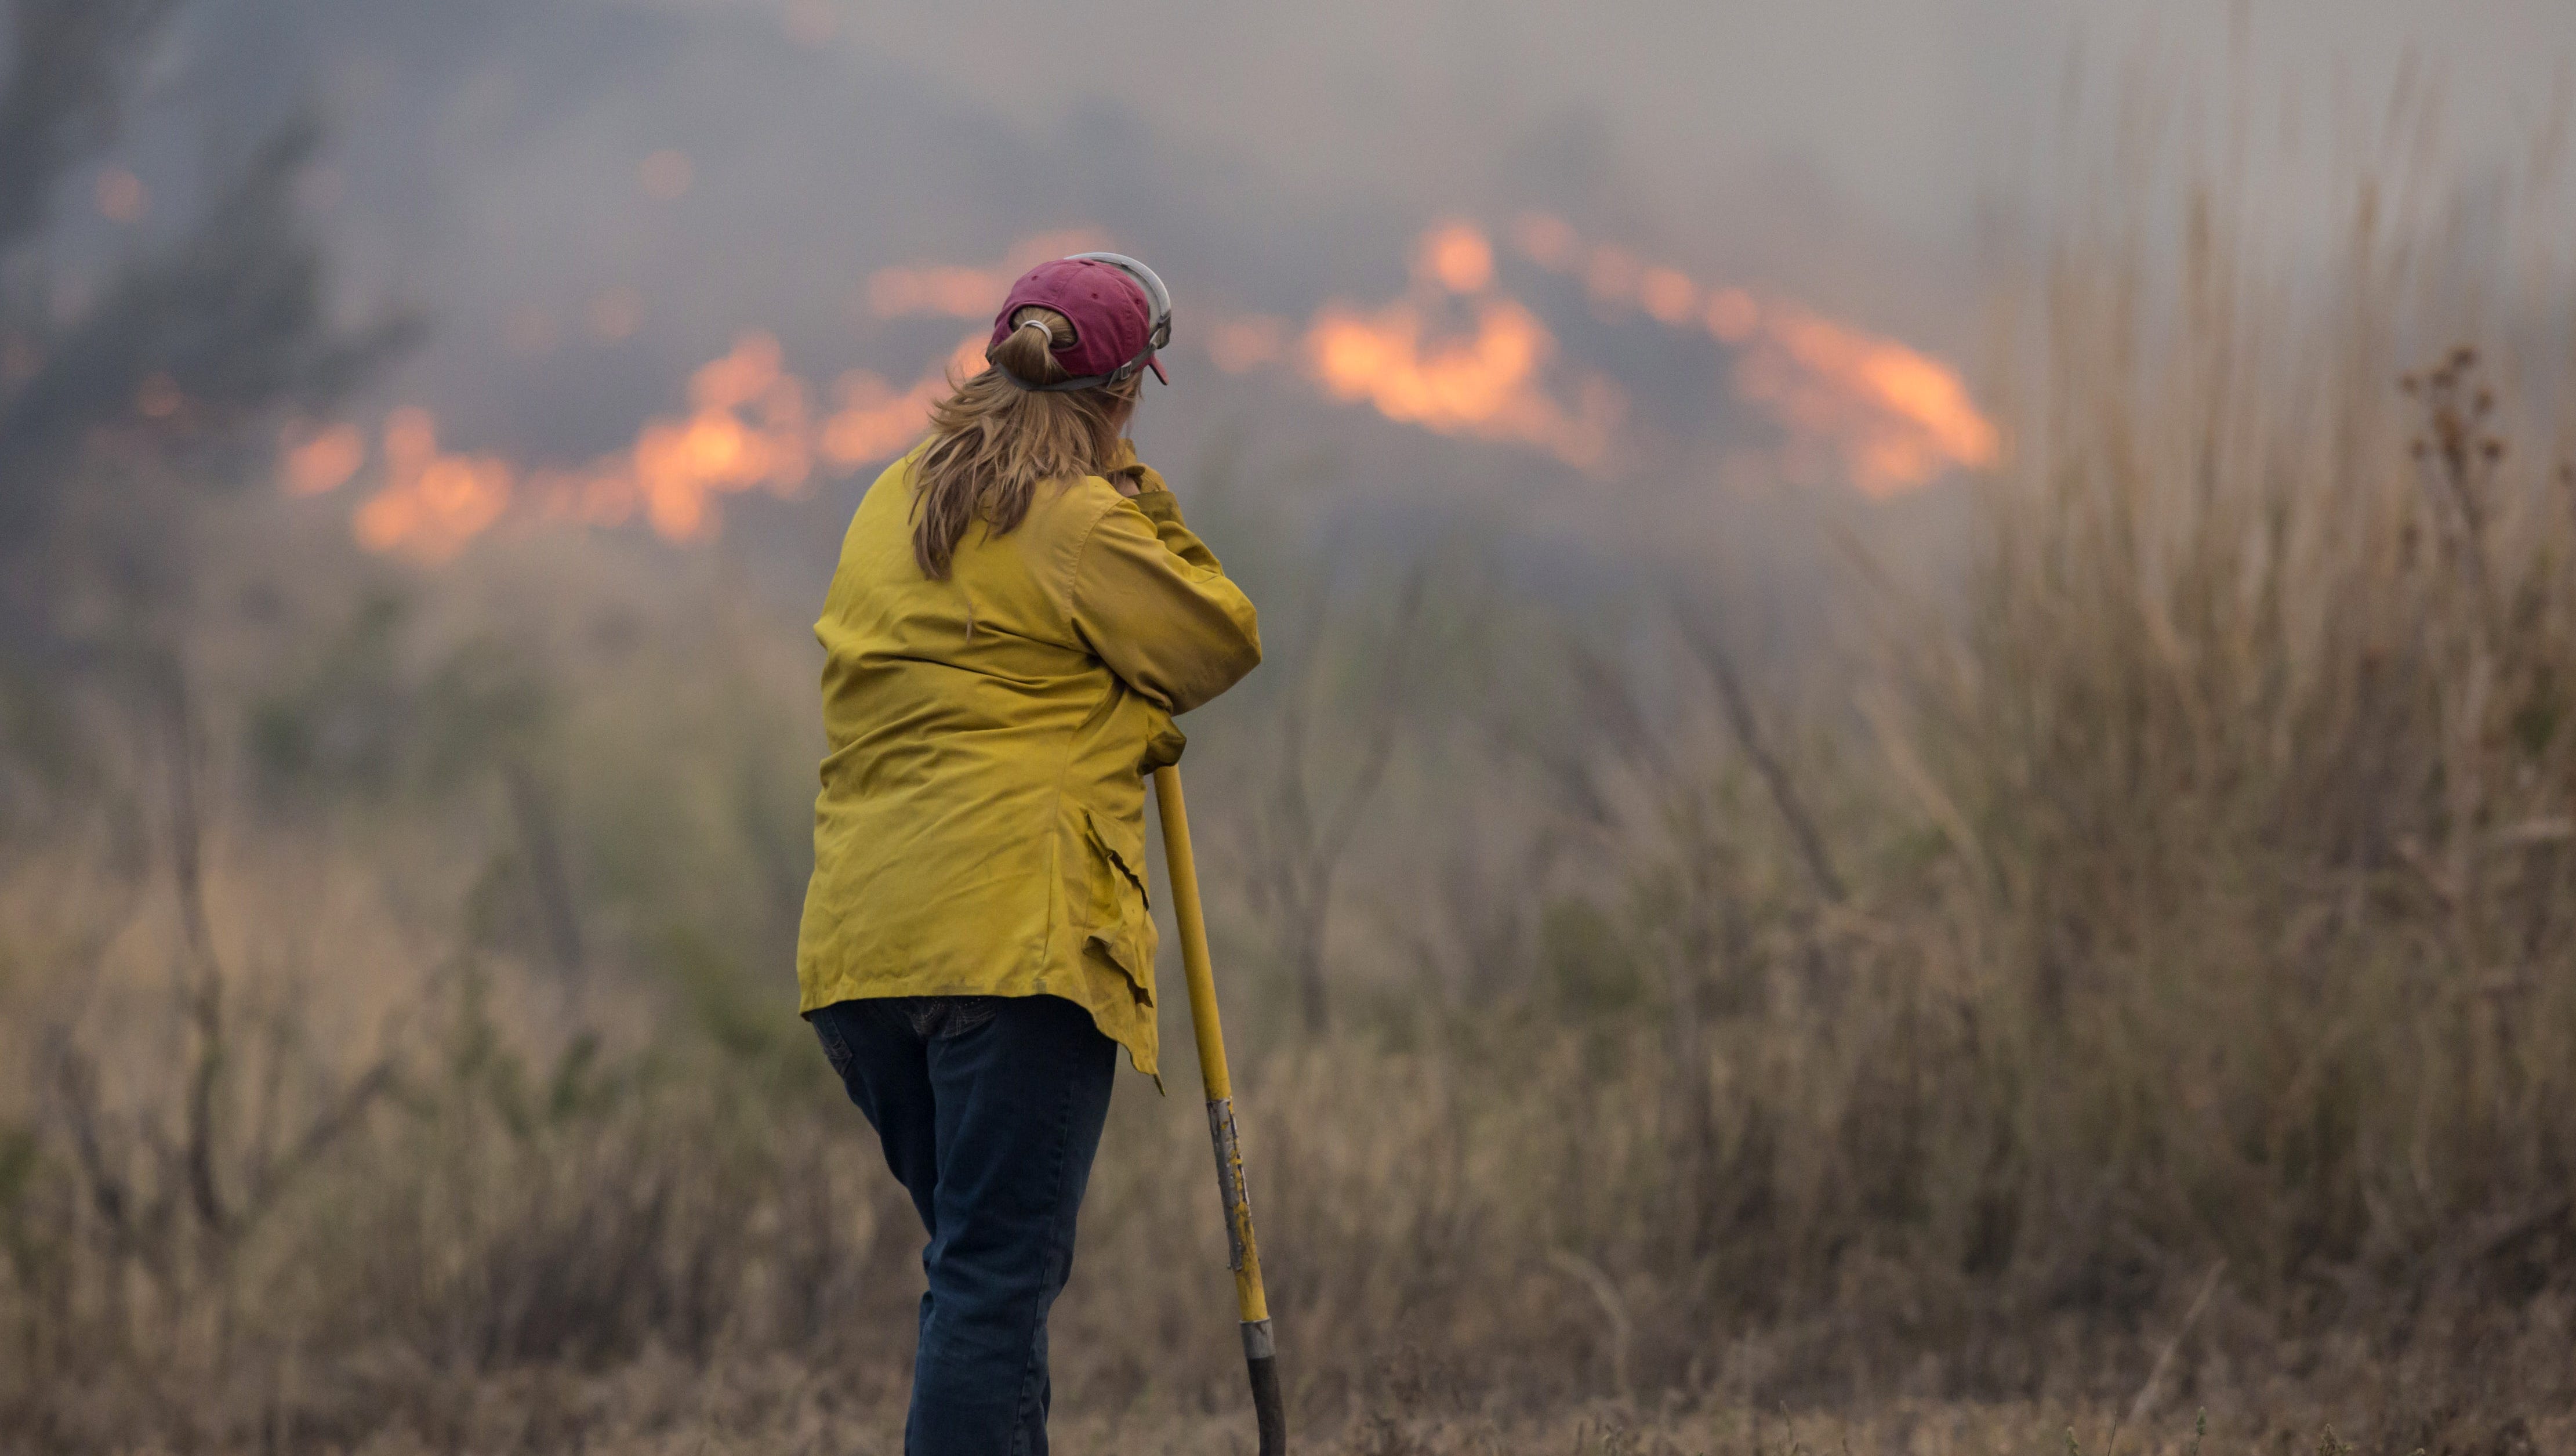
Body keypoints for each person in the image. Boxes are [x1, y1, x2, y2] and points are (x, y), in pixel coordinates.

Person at [796, 253, 1261, 1456]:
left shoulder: (886, 497)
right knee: (995, 1285)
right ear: (1120, 397)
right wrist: (1134, 486)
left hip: (863, 955)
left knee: (976, 1280)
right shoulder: (1080, 518)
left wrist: (1102, 710)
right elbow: (1215, 639)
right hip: (1013, 942)